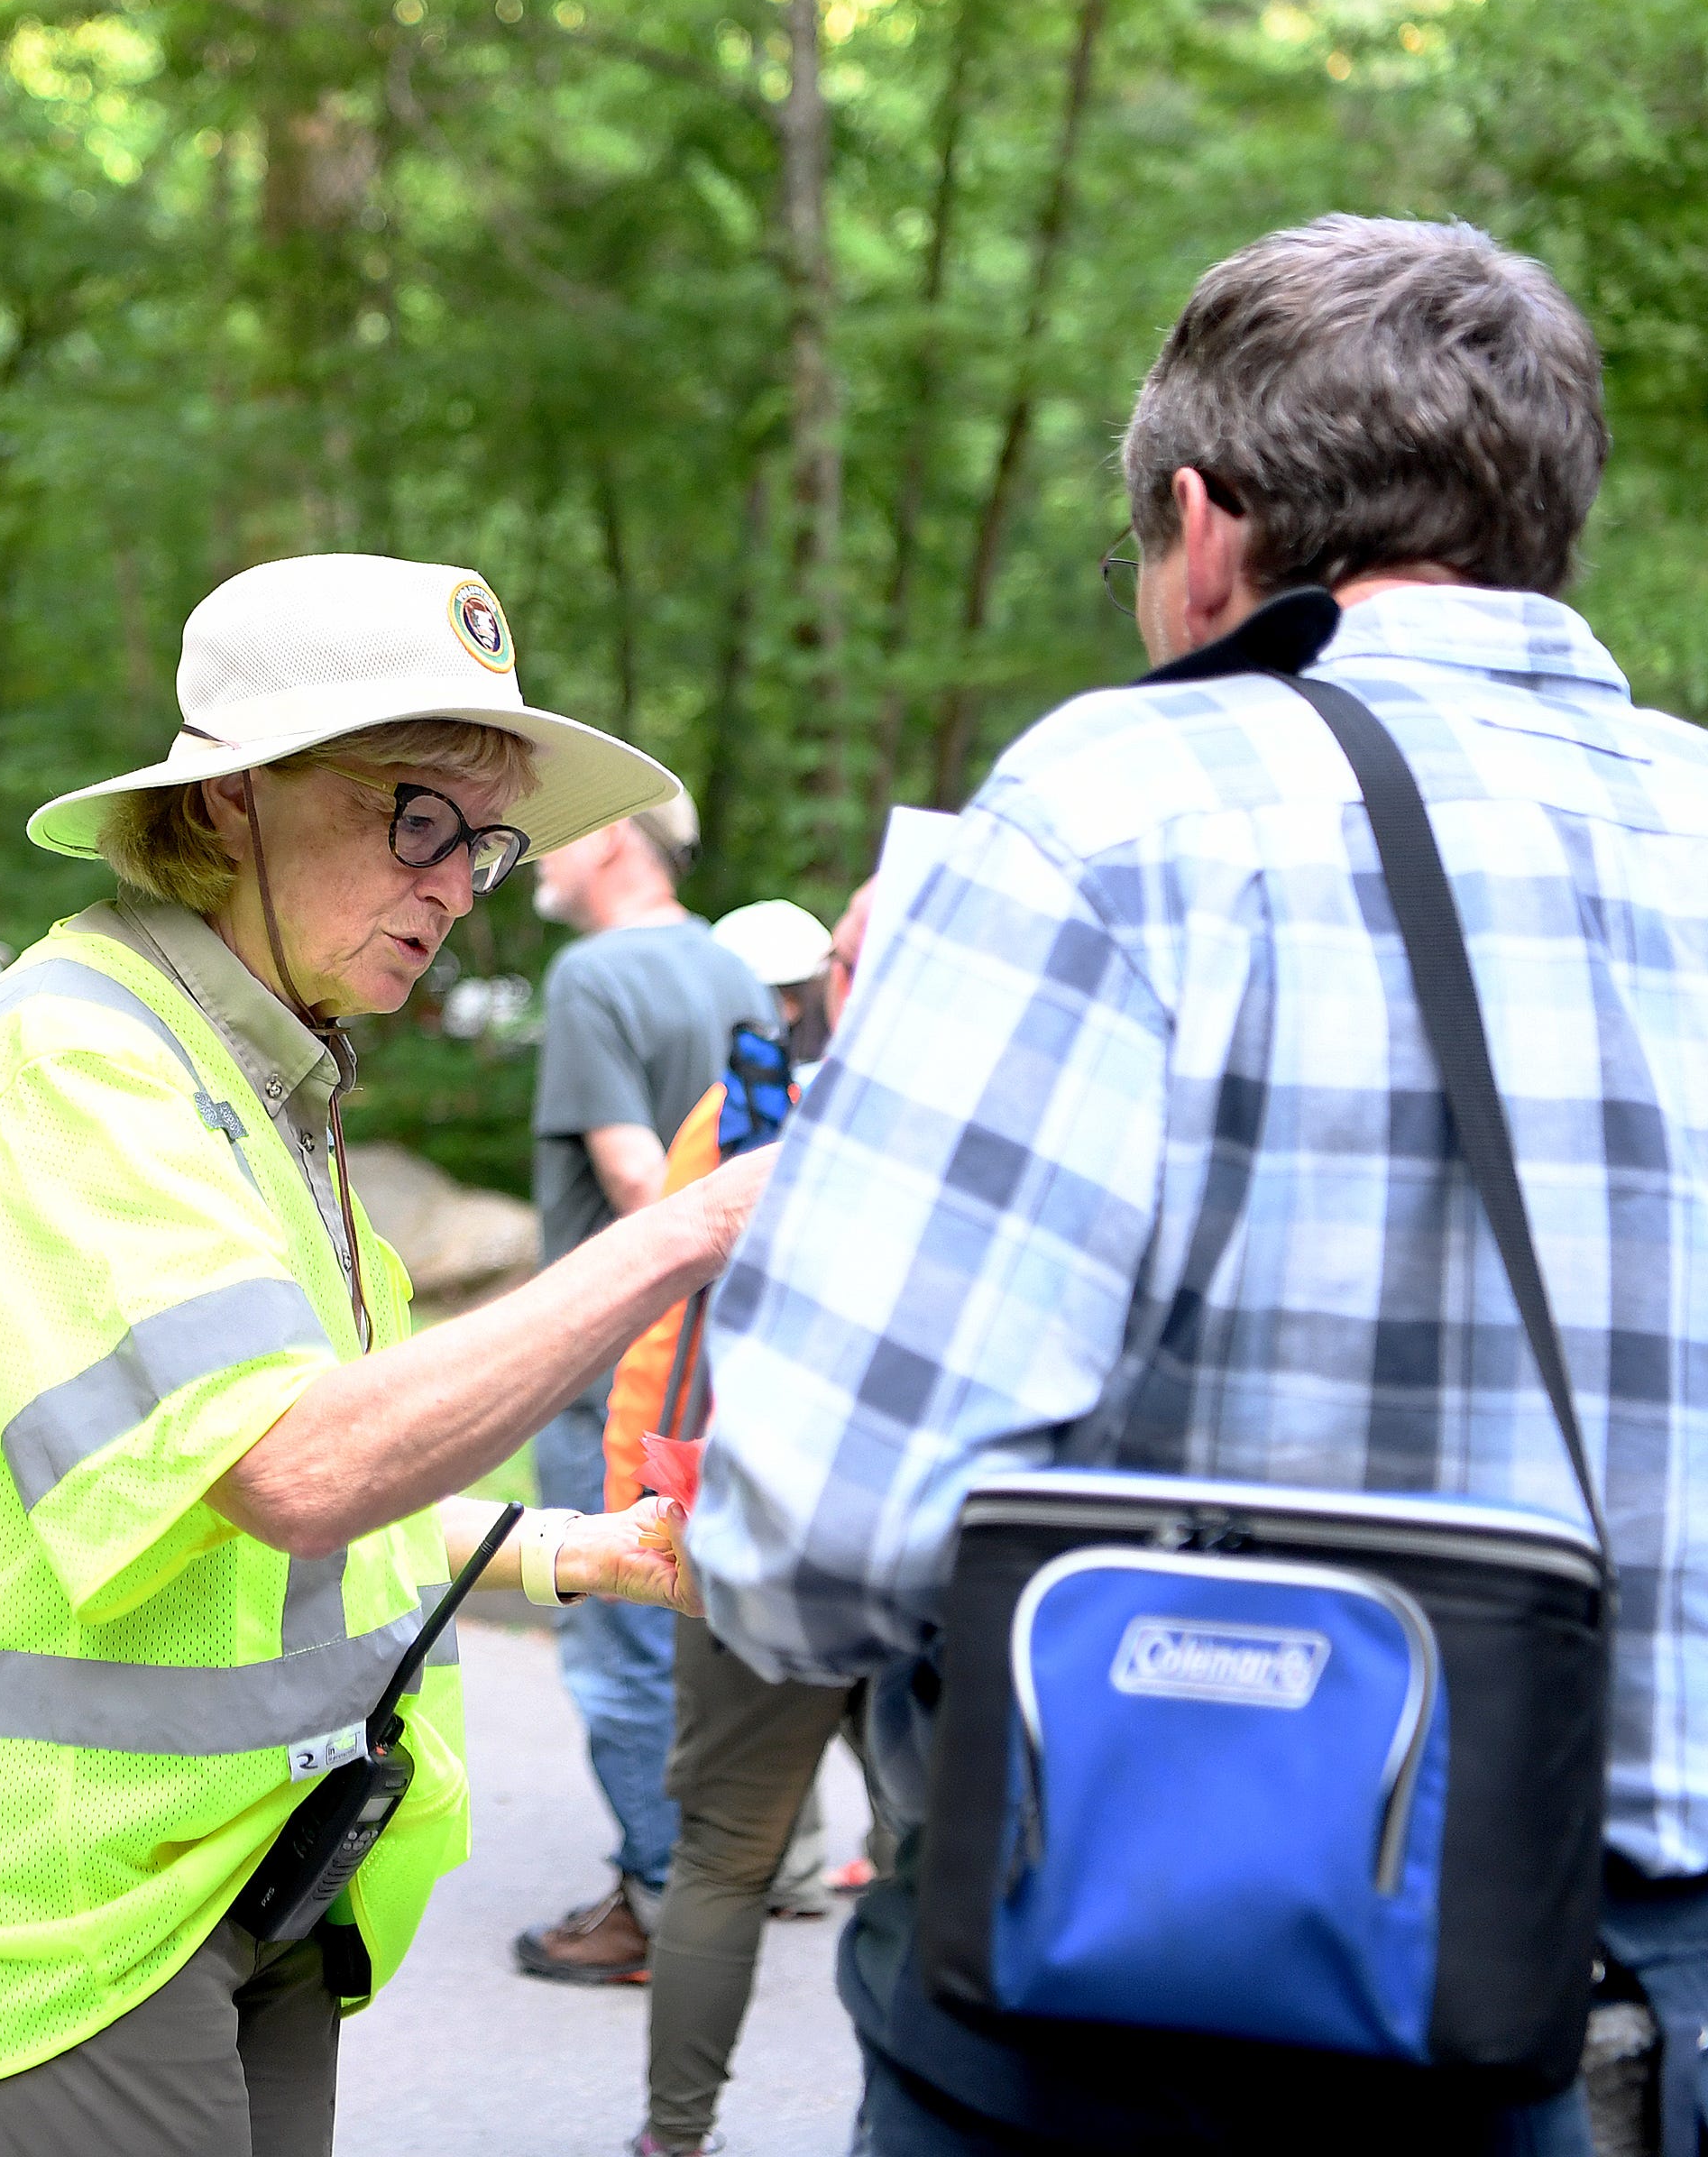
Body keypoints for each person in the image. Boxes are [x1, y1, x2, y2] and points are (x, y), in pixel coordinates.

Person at [692, 216, 1708, 2153]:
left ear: (1204, 526)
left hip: (1171, 2018)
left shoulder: (1123, 812)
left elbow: (807, 1533)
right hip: (1664, 2012)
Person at [0, 553, 774, 2152]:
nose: (460, 887)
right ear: (224, 808)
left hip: (234, 1874)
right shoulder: (74, 1064)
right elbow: (293, 1470)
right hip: (55, 1916)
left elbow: (221, 1502)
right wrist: (685, 1231)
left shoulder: (248, 1074)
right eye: (416, 818)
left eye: (489, 839)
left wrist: (576, 1554)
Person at [610, 887, 873, 2157]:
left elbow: (668, 1314)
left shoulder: (739, 1109)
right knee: (940, 1857)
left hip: (755, 1507)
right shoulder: (987, 1101)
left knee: (722, 1854)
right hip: (924, 1526)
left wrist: (641, 1489)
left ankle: (674, 2140)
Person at [509, 789, 777, 1986]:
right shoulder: (732, 967)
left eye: (556, 831)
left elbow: (635, 1177)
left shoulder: (590, 980)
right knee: (694, 1621)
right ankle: (742, 1871)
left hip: (616, 1358)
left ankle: (666, 1911)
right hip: (718, 1356)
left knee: (616, 1633)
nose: (531, 859)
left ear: (613, 837)